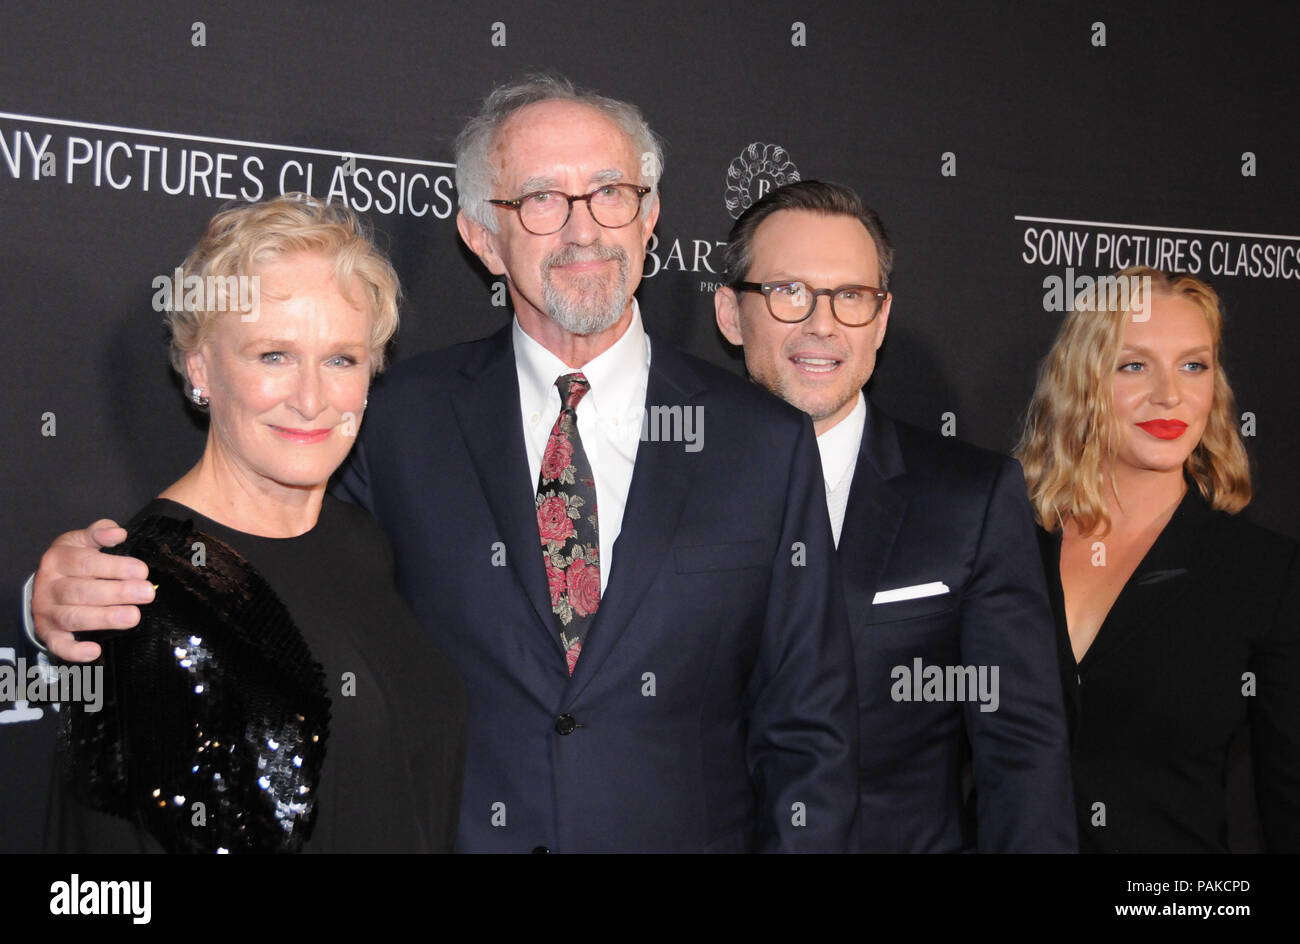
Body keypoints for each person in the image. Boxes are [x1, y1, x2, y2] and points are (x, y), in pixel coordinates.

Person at [31, 77, 859, 852]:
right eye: (540, 199)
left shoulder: (764, 442)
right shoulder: (395, 421)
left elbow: (809, 729)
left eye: (611, 192)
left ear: (650, 218)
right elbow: (257, 556)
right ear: (481, 238)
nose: (583, 227)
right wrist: (59, 594)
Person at [44, 195, 466, 853]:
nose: (311, 397)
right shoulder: (140, 596)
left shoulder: (361, 542)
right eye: (273, 355)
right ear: (201, 367)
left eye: (341, 358)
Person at [714, 180, 1076, 852]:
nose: (822, 325)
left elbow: (1021, 750)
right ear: (732, 315)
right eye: (789, 292)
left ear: (880, 321)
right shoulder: (657, 488)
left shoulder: (971, 497)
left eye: (851, 297)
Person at [1015, 265, 1300, 853]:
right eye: (1134, 364)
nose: (1169, 394)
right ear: (1081, 380)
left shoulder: (1265, 574)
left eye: (1194, 365)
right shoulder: (1003, 544)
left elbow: (1289, 801)